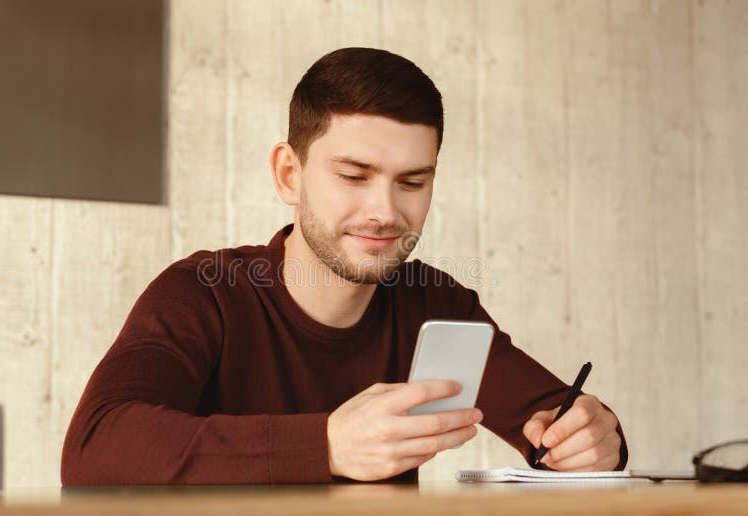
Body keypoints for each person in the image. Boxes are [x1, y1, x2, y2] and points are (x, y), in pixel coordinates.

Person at [61, 47, 627, 485]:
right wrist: (326, 444)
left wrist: (597, 440)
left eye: (412, 182)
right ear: (289, 175)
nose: (384, 211)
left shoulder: (435, 304)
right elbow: (94, 453)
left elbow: (558, 421)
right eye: (354, 176)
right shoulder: (205, 293)